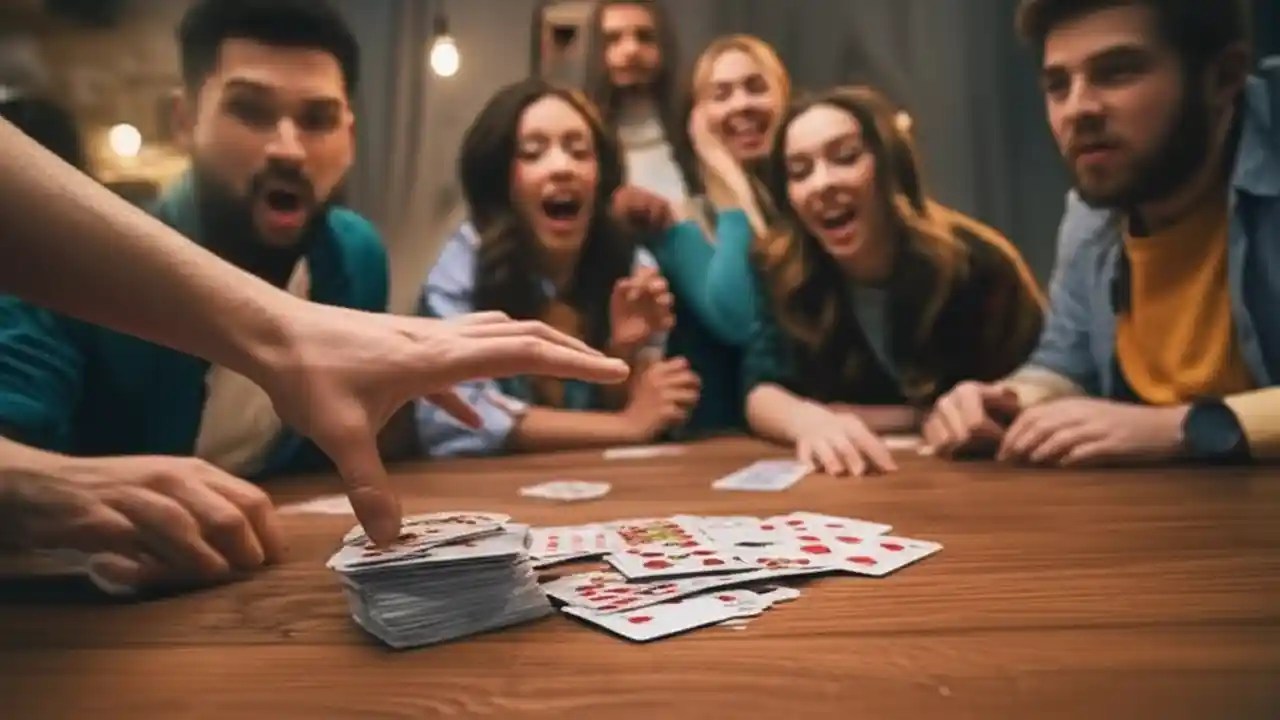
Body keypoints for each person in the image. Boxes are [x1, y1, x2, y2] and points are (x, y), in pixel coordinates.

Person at [0, 0, 624, 588]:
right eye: (250, 110)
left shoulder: (354, 255)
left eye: (318, 118)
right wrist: (47, 485)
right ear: (185, 120)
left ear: (350, 135)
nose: (288, 148)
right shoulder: (65, 267)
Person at [925, 0, 1280, 468]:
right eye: (1058, 85)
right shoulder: (1092, 215)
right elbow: (1065, 363)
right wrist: (1003, 402)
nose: (1078, 110)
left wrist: (1183, 427)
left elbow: (1165, 429)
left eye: (1117, 73)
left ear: (1223, 77)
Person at [743, 86, 1045, 476]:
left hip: (988, 481)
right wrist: (812, 421)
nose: (822, 183)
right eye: (800, 172)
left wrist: (896, 416)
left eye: (845, 158)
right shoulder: (779, 268)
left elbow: (1046, 382)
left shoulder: (979, 263)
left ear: (890, 166)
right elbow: (760, 392)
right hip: (852, 488)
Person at [415, 78, 699, 456]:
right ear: (501, 180)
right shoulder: (464, 262)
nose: (562, 167)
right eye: (532, 153)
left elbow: (648, 405)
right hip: (483, 491)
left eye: (580, 151)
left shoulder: (634, 267)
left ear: (600, 177)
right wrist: (625, 426)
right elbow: (453, 416)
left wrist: (622, 354)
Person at [582, 0, 697, 208]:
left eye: (645, 37)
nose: (631, 50)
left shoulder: (695, 126)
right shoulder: (582, 131)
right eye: (613, 39)